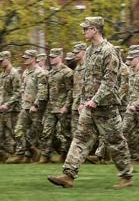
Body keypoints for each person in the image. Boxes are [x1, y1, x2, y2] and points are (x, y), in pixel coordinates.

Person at [48, 16, 133, 189]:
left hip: (106, 107)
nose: (83, 31)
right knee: (80, 138)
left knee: (115, 142)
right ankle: (68, 175)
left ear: (95, 29)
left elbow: (109, 82)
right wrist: (82, 101)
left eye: (86, 28)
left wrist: (95, 100)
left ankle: (126, 177)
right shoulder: (89, 51)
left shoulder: (109, 51)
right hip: (89, 106)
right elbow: (86, 80)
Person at [38, 48, 73, 163]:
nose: (51, 59)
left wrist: (66, 106)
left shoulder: (67, 72)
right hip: (51, 108)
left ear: (60, 57)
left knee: (66, 133)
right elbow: (46, 91)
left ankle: (66, 154)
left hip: (62, 107)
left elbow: (70, 91)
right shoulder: (50, 73)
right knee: (46, 132)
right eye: (50, 57)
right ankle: (45, 155)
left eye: (54, 57)